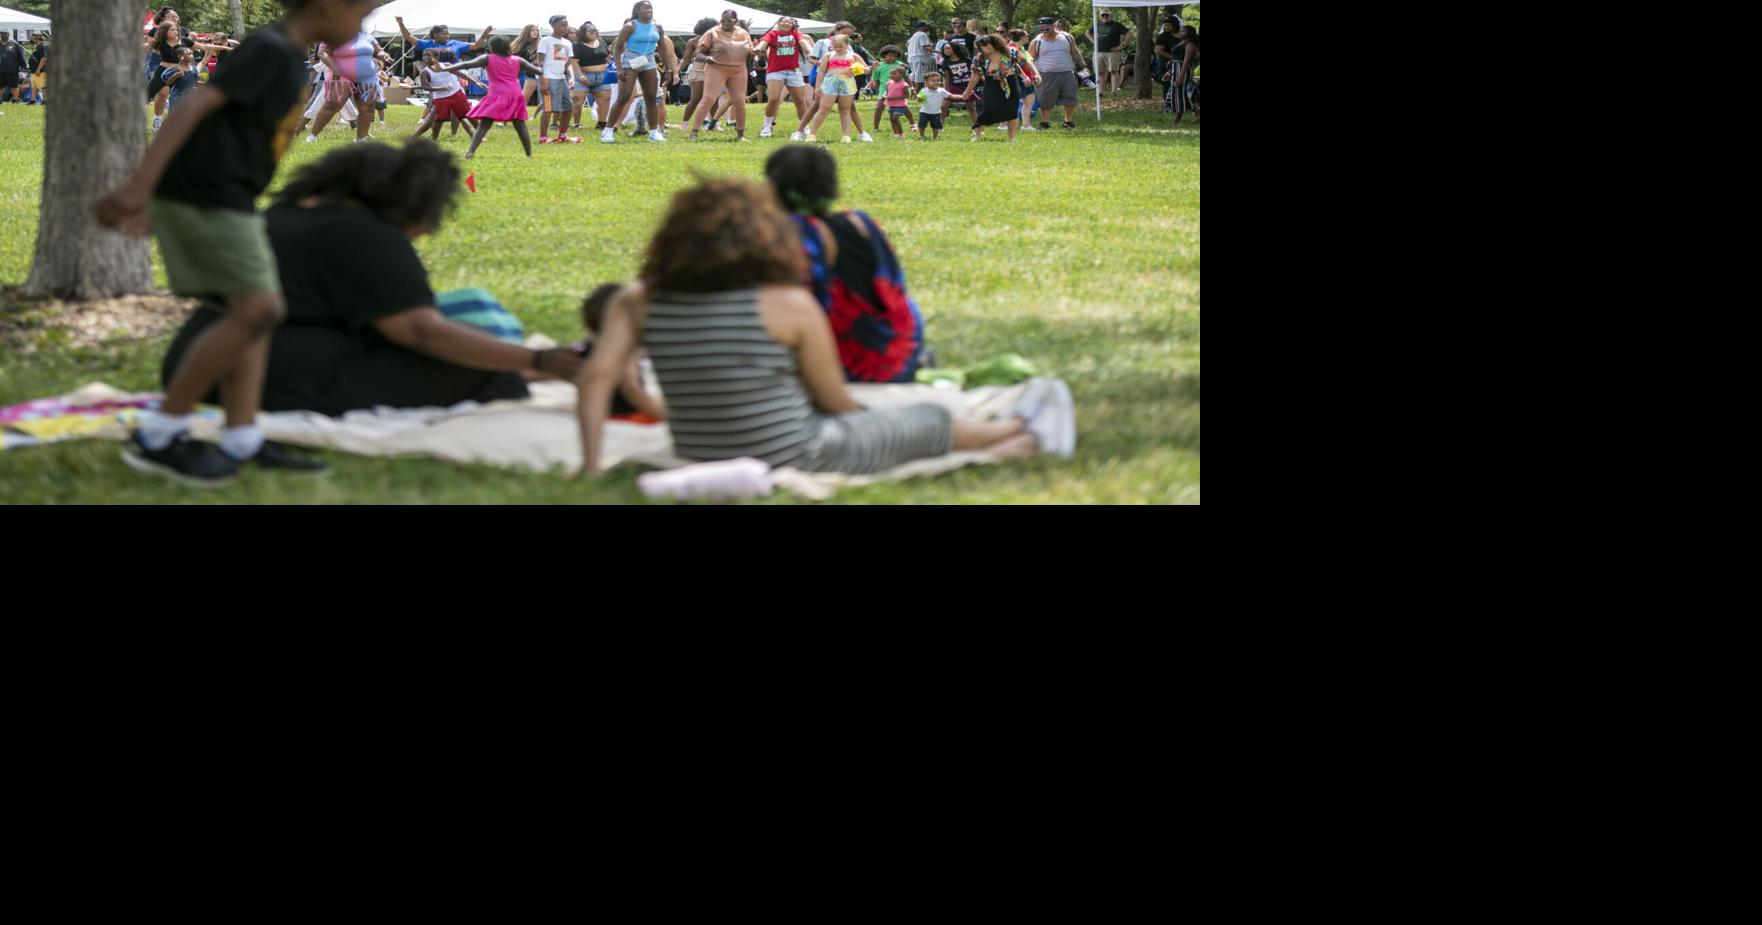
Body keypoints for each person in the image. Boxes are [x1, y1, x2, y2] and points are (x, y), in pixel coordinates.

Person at [575, 176, 1067, 478]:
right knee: (925, 420)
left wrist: (592, 465)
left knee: (897, 423)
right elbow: (834, 401)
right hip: (795, 452)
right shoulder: (788, 304)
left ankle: (1013, 436)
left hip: (697, 447)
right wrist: (869, 422)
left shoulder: (636, 300)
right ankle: (1020, 434)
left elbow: (596, 378)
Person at [97, 0, 378, 485]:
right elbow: (196, 107)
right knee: (258, 311)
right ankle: (159, 435)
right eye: (360, 15)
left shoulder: (287, 53)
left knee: (252, 314)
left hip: (231, 196)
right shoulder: (271, 49)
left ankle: (241, 437)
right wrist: (141, 185)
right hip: (207, 194)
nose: (359, 30)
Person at [161, 141, 581, 420]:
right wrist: (537, 360)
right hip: (265, 375)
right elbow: (420, 332)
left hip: (195, 363)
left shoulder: (287, 213)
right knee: (482, 373)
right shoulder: (364, 233)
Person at [766, 145, 926, 383]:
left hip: (842, 367)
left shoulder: (789, 234)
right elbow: (894, 286)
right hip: (900, 354)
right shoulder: (861, 222)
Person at [576, 284, 667, 422]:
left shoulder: (588, 346)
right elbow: (631, 389)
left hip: (599, 412)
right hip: (627, 416)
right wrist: (663, 415)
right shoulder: (620, 351)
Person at [443, 35, 543, 158]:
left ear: (492, 47)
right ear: (508, 46)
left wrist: (445, 68)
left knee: (484, 125)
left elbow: (466, 65)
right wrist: (542, 67)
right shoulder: (517, 60)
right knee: (520, 125)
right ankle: (529, 154)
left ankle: (470, 152)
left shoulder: (488, 58)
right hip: (515, 95)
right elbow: (538, 71)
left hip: (497, 95)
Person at [602, 2, 681, 143]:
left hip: (648, 60)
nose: (649, 10)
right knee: (623, 97)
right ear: (638, 10)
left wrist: (669, 69)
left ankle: (653, 132)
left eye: (651, 8)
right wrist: (619, 68)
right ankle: (607, 131)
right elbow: (617, 48)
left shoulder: (657, 26)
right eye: (645, 8)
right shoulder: (630, 26)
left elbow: (662, 48)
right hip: (630, 60)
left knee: (651, 97)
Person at [307, 29, 387, 142]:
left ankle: (361, 138)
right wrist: (334, 68)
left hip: (367, 76)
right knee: (333, 104)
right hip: (341, 74)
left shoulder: (366, 36)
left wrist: (383, 55)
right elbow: (322, 53)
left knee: (368, 107)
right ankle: (312, 136)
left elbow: (378, 51)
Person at [691, 9, 757, 141]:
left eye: (729, 21)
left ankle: (740, 135)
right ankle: (694, 133)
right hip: (716, 68)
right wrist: (707, 58)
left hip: (738, 70)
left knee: (739, 101)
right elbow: (698, 54)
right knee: (708, 99)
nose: (725, 23)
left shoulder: (743, 33)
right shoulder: (712, 33)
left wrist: (754, 52)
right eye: (723, 21)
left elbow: (750, 52)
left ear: (736, 21)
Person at [800, 34, 870, 143]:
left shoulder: (854, 56)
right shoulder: (829, 55)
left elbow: (866, 70)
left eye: (840, 46)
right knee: (824, 109)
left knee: (845, 109)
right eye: (835, 46)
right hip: (830, 84)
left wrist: (856, 70)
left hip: (847, 84)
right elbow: (821, 71)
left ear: (847, 45)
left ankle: (846, 136)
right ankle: (812, 134)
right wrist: (817, 87)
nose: (838, 49)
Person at [757, 16, 812, 137]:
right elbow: (763, 43)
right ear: (779, 23)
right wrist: (758, 48)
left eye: (789, 22)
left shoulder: (796, 33)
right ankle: (767, 126)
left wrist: (810, 52)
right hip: (775, 71)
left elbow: (804, 43)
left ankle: (804, 127)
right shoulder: (773, 34)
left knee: (800, 101)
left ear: (793, 25)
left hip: (793, 71)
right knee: (773, 99)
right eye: (784, 22)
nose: (786, 24)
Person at [411, 48, 483, 139]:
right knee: (437, 119)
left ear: (437, 57)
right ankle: (429, 138)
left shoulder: (447, 66)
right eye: (424, 55)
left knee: (466, 115)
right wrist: (442, 88)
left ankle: (479, 135)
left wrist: (475, 82)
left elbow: (461, 75)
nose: (425, 57)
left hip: (456, 94)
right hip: (441, 98)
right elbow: (426, 87)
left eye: (428, 55)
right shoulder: (425, 72)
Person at [1027, 16, 1084, 129]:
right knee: (1045, 99)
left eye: (1046, 28)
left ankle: (1068, 121)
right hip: (1046, 74)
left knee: (1071, 97)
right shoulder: (1037, 41)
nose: (1044, 31)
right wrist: (1033, 74)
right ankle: (1045, 122)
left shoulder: (1067, 37)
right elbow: (1030, 59)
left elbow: (1075, 52)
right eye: (1041, 29)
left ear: (1053, 26)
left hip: (1067, 72)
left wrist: (1084, 66)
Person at [535, 15, 582, 143]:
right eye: (562, 25)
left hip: (561, 79)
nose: (565, 28)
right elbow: (539, 63)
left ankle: (563, 135)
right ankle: (543, 137)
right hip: (548, 77)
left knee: (568, 107)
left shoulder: (567, 43)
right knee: (548, 109)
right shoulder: (546, 40)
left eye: (566, 25)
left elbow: (568, 64)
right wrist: (542, 80)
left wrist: (571, 78)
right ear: (553, 25)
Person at [570, 21, 616, 134]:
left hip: (602, 76)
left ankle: (601, 124)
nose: (594, 33)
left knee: (605, 100)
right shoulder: (577, 45)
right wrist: (580, 75)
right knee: (577, 102)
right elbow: (574, 62)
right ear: (583, 33)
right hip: (583, 76)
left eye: (595, 31)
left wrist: (610, 67)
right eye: (591, 31)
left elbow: (607, 56)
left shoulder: (602, 42)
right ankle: (575, 123)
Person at [676, 18, 718, 134]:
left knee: (714, 99)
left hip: (713, 70)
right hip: (698, 70)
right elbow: (685, 59)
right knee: (695, 98)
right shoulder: (693, 42)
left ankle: (714, 124)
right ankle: (684, 124)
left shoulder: (716, 40)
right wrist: (677, 72)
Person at [1087, 10, 1131, 94]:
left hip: (1112, 53)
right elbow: (1087, 32)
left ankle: (1114, 91)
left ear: (1110, 16)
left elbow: (1129, 34)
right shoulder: (1097, 25)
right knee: (1100, 73)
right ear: (1101, 16)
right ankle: (1101, 92)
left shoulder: (1117, 25)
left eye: (1106, 15)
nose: (1105, 17)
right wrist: (1093, 41)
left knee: (1114, 71)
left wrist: (1121, 46)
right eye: (1103, 15)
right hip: (1098, 52)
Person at [867, 45, 904, 134]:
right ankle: (876, 128)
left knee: (897, 111)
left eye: (895, 56)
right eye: (890, 56)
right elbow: (876, 79)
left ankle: (907, 126)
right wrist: (877, 89)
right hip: (884, 90)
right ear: (884, 55)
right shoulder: (879, 66)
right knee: (879, 108)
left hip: (897, 91)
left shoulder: (899, 64)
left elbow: (904, 75)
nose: (893, 58)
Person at [509, 24, 544, 113]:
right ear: (527, 32)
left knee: (547, 98)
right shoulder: (522, 45)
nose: (536, 32)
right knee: (524, 98)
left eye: (537, 30)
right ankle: (510, 114)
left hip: (543, 74)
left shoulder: (540, 43)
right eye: (533, 30)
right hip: (530, 74)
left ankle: (541, 116)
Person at [914, 71, 951, 139]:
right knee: (922, 125)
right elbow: (919, 100)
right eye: (933, 81)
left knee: (936, 125)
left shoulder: (941, 91)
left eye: (938, 80)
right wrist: (919, 99)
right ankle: (922, 136)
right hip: (924, 111)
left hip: (936, 112)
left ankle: (935, 136)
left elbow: (951, 96)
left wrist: (962, 97)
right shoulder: (923, 91)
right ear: (926, 82)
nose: (936, 82)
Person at [880, 67, 912, 138]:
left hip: (900, 105)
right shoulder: (889, 83)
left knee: (895, 118)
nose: (892, 75)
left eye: (894, 73)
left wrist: (893, 98)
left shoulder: (903, 84)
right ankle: (895, 133)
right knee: (892, 119)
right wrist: (884, 96)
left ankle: (901, 134)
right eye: (891, 73)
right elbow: (887, 92)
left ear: (901, 74)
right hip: (891, 104)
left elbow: (907, 95)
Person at [1, 31, 29, 104]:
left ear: (9, 35)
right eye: (2, 34)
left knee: (15, 86)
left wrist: (24, 66)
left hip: (13, 70)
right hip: (1, 70)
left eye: (5, 34)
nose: (4, 36)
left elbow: (20, 56)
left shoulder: (15, 44)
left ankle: (15, 100)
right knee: (0, 86)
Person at [905, 19, 933, 89]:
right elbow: (926, 47)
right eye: (926, 26)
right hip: (920, 59)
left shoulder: (915, 35)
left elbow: (907, 44)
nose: (928, 27)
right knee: (920, 79)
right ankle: (916, 93)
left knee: (915, 76)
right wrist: (935, 50)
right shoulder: (923, 34)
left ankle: (913, 90)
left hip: (911, 58)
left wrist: (912, 50)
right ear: (922, 27)